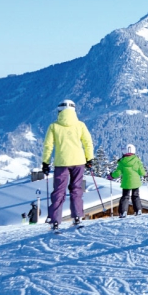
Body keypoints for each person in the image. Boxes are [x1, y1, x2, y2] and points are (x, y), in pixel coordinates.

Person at [41, 99, 94, 231]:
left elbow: (48, 146)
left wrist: (45, 162)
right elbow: (88, 142)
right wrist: (89, 159)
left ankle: (55, 221)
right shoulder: (80, 125)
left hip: (61, 163)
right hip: (79, 161)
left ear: (59, 111)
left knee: (59, 191)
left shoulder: (54, 126)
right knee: (76, 189)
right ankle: (77, 217)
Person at [110, 144, 147, 217]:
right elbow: (141, 171)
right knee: (136, 196)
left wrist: (111, 175)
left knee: (125, 197)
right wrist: (145, 174)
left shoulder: (122, 162)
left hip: (126, 182)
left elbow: (118, 173)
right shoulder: (137, 160)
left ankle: (123, 212)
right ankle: (138, 210)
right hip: (136, 182)